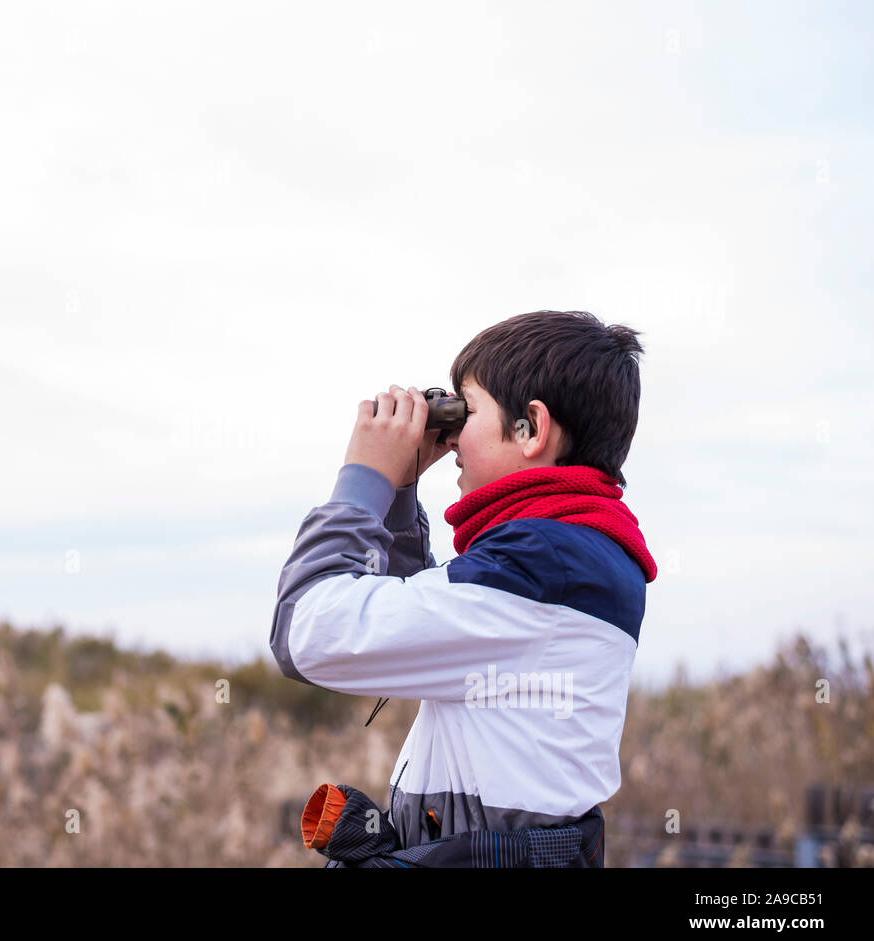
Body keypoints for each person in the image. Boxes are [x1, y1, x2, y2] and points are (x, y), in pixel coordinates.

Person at [268, 310, 656, 867]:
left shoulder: (542, 567)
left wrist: (363, 480)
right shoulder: (572, 556)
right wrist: (401, 492)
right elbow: (412, 622)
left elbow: (306, 632)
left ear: (531, 428)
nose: (450, 440)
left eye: (465, 410)